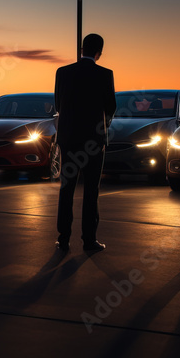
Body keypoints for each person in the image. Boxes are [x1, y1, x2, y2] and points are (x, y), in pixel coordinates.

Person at [54, 33, 116, 253]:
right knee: (91, 191)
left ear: (82, 49)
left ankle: (63, 239)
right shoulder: (105, 74)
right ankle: (89, 240)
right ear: (99, 52)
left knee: (66, 188)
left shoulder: (63, 72)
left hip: (69, 138)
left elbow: (58, 104)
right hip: (93, 141)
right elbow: (111, 107)